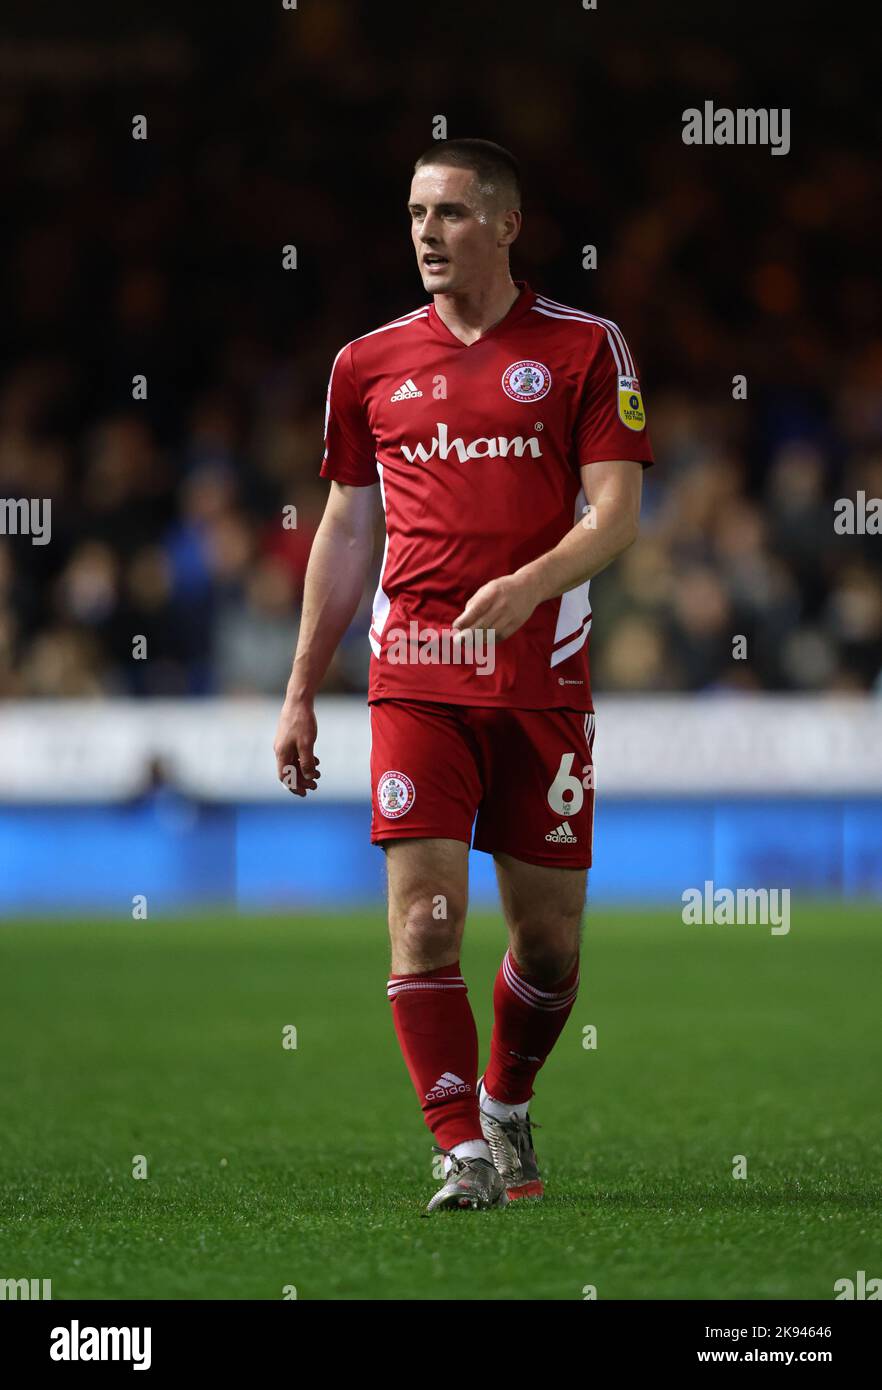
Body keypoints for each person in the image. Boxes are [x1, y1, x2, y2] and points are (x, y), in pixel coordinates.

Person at [274, 138, 654, 1213]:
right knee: (427, 920)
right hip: (418, 673)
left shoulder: (586, 347)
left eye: (446, 214)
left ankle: (505, 1100)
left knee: (549, 944)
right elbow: (349, 527)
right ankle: (460, 1151)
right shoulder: (368, 364)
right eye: (413, 216)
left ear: (504, 224)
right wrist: (303, 684)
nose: (426, 235)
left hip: (541, 680)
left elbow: (617, 515)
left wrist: (531, 585)